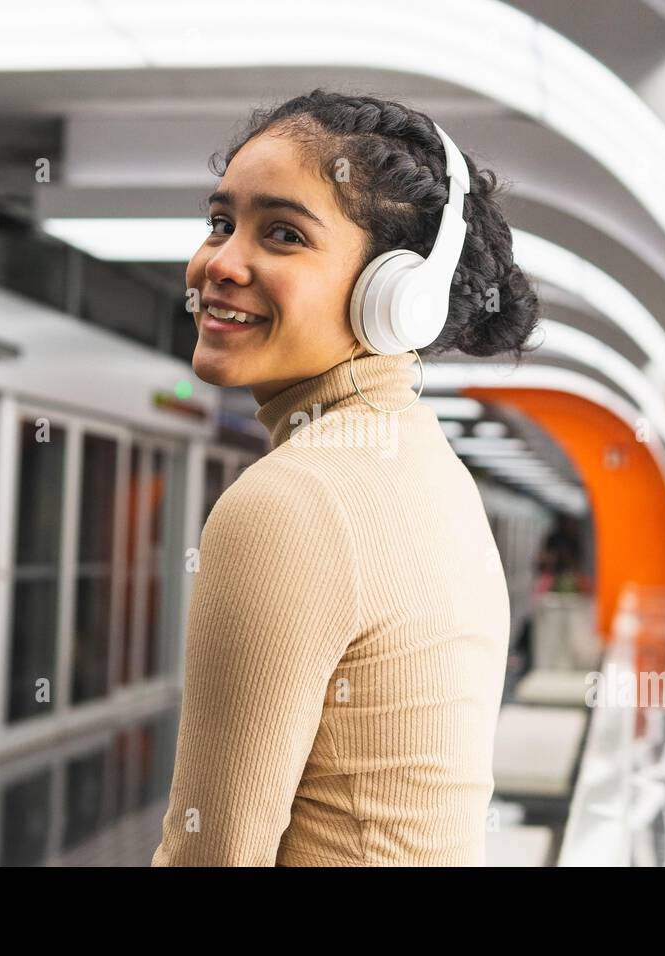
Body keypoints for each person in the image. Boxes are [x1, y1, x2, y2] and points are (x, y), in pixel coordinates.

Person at [150, 89, 540, 866]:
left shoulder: (294, 500)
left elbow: (211, 856)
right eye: (221, 223)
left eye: (284, 234)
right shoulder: (430, 468)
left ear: (393, 295)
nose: (221, 264)